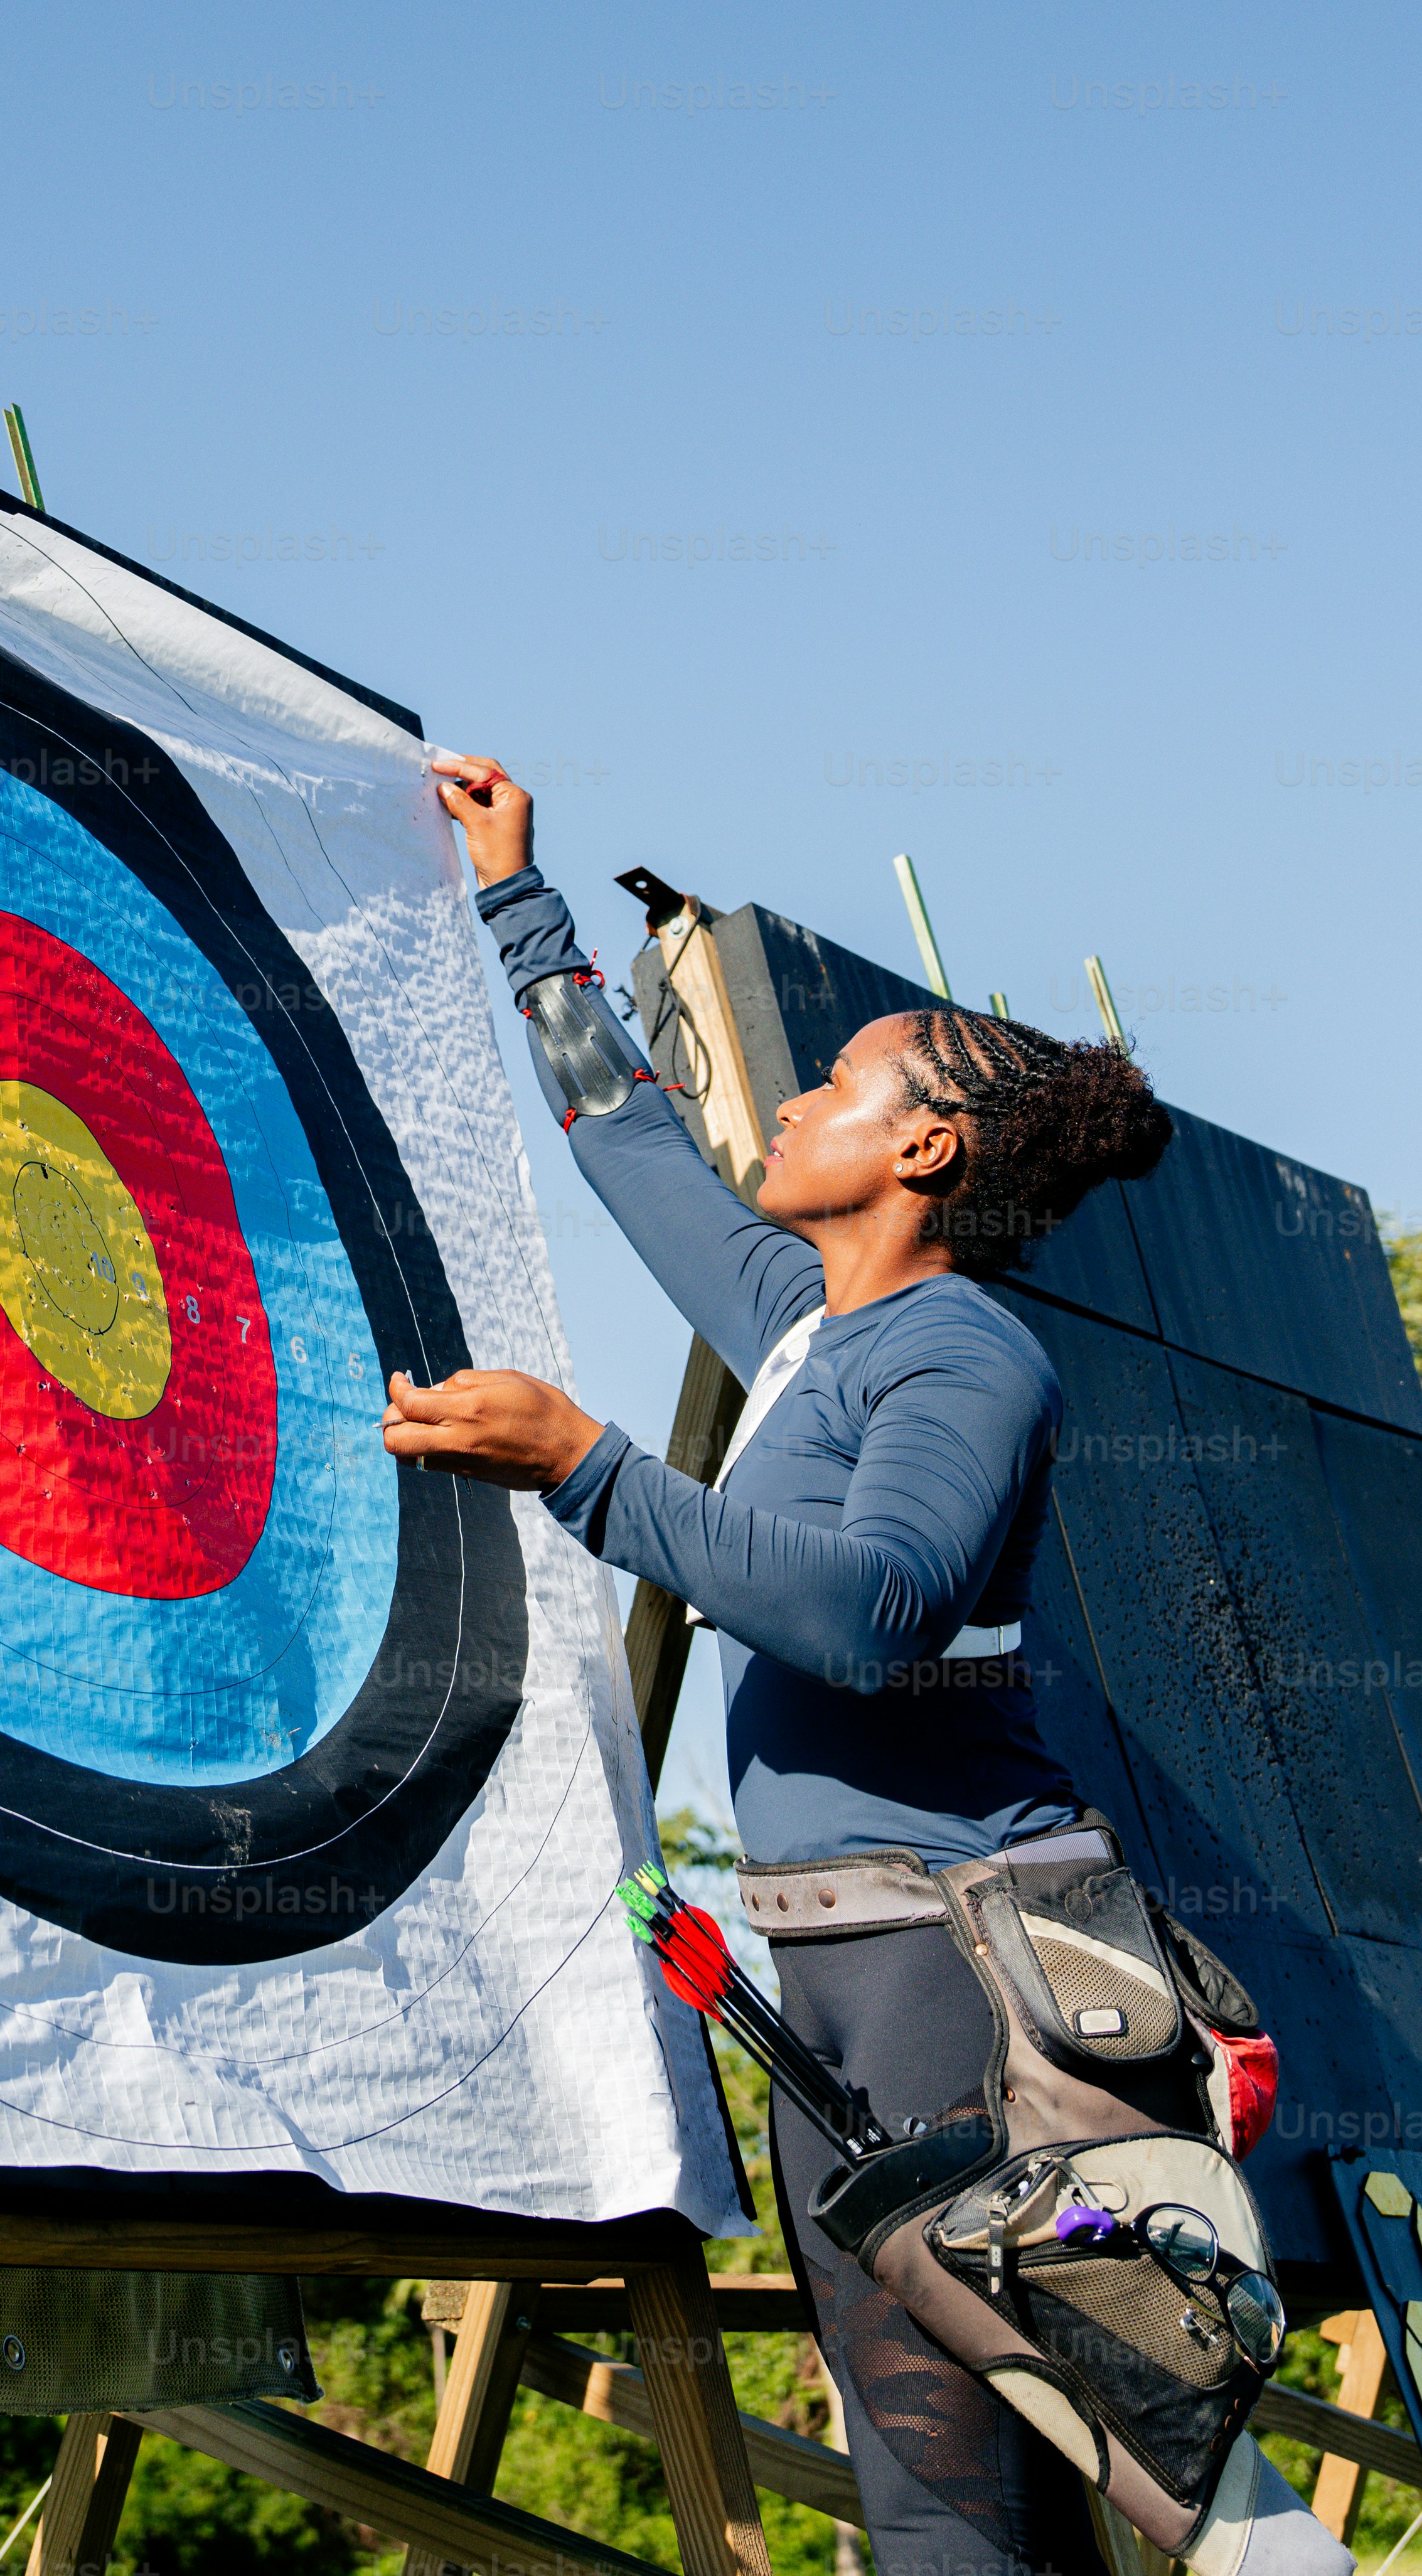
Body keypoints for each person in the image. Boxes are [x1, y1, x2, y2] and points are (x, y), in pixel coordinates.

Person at [382, 751, 1176, 2576]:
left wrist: (582, 1465)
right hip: (840, 1962)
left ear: (919, 1147)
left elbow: (867, 1609)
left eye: (831, 1081)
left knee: (967, 2477)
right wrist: (523, 902)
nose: (790, 1097)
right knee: (942, 2481)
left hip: (955, 1973)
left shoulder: (963, 1355)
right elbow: (629, 1140)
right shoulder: (808, 1322)